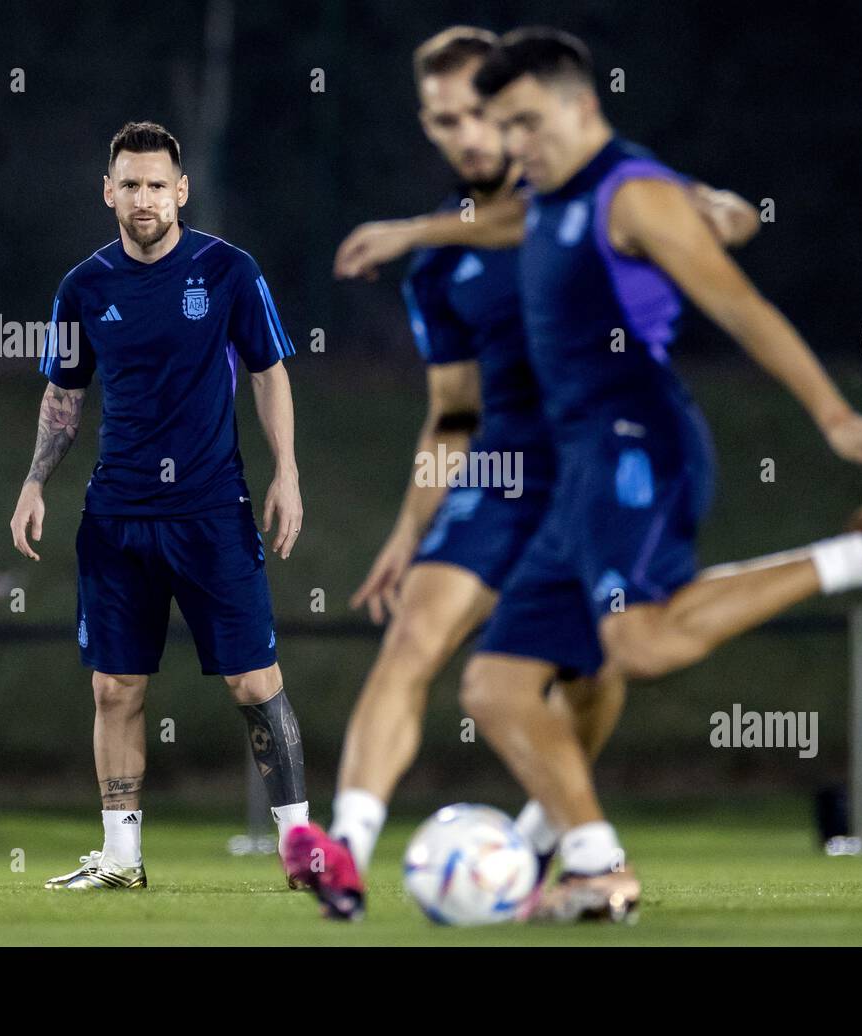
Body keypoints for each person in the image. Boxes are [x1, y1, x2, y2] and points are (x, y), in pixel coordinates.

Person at [332, 28, 862, 922]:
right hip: (574, 467)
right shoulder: (547, 196)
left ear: (582, 106)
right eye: (500, 127)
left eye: (524, 124)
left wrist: (836, 415)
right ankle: (598, 871)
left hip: (636, 441)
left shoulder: (632, 193)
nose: (514, 146)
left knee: (632, 644)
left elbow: (741, 305)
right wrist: (415, 230)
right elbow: (500, 224)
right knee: (496, 685)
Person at [286, 27, 761, 921]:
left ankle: (546, 844)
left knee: (588, 675)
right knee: (413, 638)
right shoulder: (437, 266)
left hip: (600, 455)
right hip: (502, 465)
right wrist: (406, 530)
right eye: (441, 120)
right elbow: (453, 413)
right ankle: (344, 850)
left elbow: (706, 208)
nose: (465, 135)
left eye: (476, 113)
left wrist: (726, 209)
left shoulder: (585, 189)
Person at [9, 121, 307, 890]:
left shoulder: (230, 271)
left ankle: (303, 852)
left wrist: (288, 473)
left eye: (156, 184)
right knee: (115, 687)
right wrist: (35, 481)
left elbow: (270, 372)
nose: (143, 198)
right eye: (129, 185)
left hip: (212, 509)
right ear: (109, 193)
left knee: (253, 682)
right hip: (117, 516)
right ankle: (120, 859)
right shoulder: (84, 286)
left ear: (181, 191)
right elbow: (63, 394)